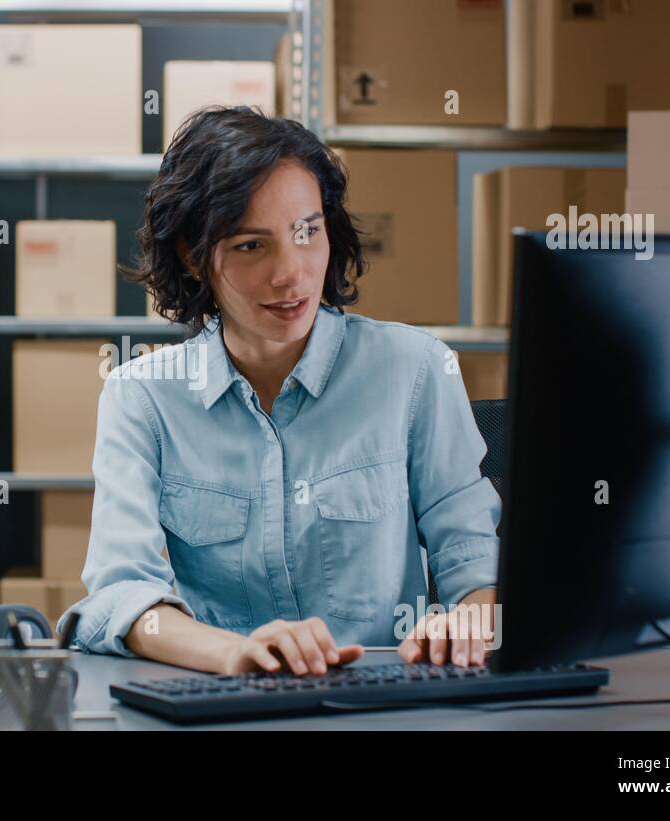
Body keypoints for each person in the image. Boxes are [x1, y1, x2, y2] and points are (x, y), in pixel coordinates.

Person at [59, 106, 500, 675]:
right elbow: (121, 595)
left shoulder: (415, 370)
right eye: (251, 245)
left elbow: (472, 555)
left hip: (384, 702)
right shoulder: (142, 398)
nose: (290, 272)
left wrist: (464, 624)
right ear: (194, 258)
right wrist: (233, 652)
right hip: (224, 702)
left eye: (306, 233)